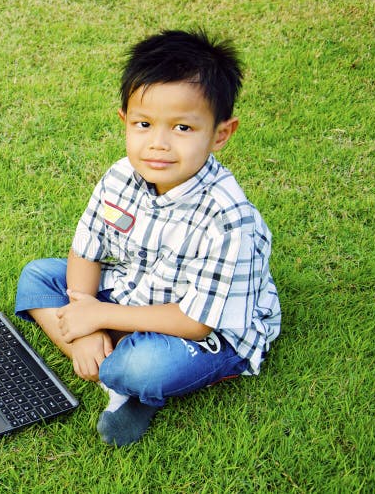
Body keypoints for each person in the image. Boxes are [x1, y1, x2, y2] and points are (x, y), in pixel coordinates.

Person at [14, 29, 281, 447]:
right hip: (137, 293)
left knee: (145, 369)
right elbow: (86, 251)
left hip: (207, 330)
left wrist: (99, 318)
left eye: (181, 127)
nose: (158, 144)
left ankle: (126, 380)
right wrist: (84, 322)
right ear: (125, 121)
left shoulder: (229, 218)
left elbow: (195, 322)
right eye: (144, 124)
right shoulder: (120, 176)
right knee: (36, 277)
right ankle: (103, 357)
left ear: (220, 134)